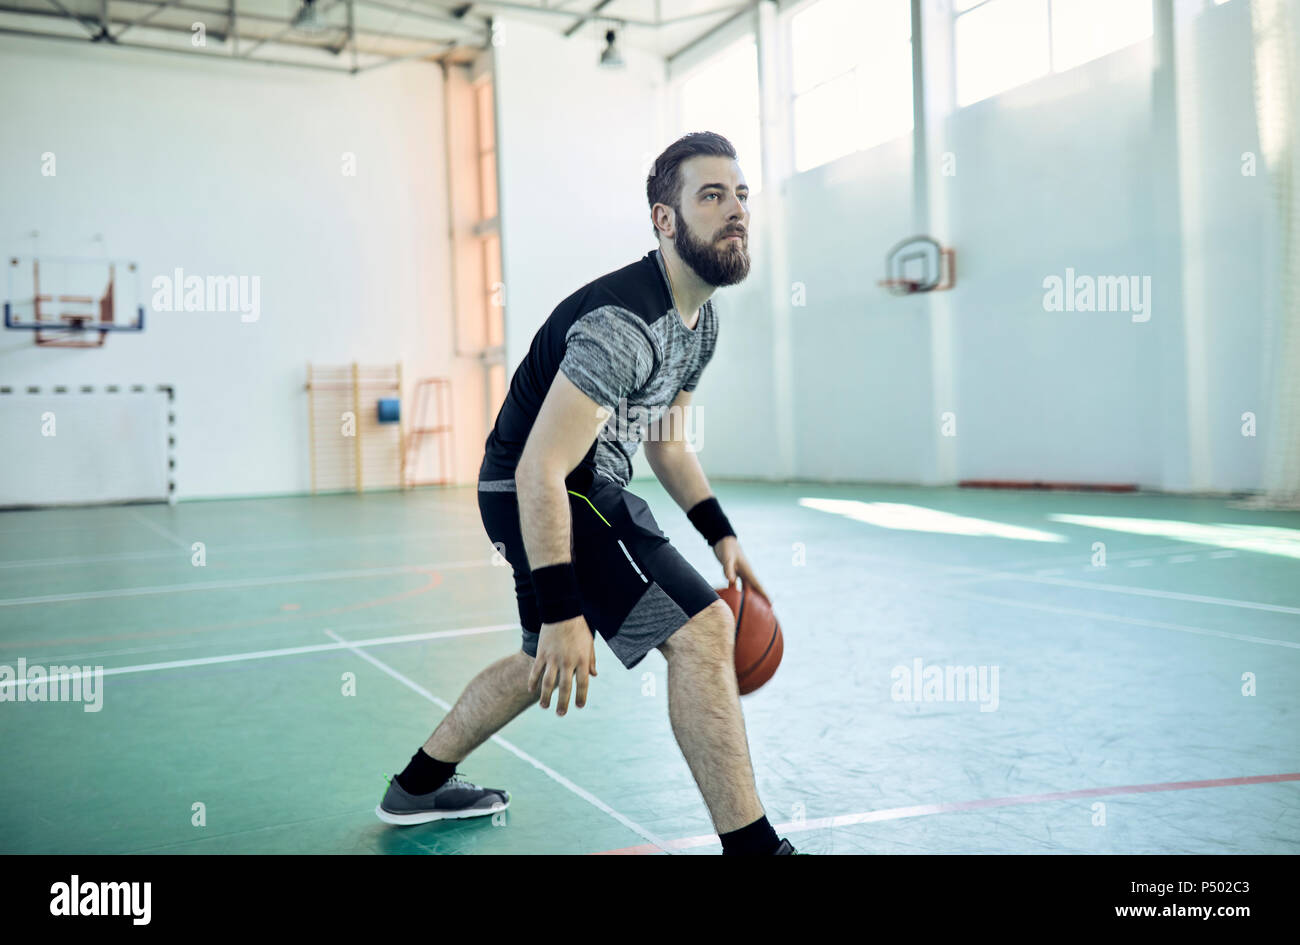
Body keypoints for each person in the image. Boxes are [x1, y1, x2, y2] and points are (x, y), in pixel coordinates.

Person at [377, 131, 797, 855]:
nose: (736, 211)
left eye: (740, 195)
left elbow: (666, 441)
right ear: (665, 221)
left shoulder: (702, 322)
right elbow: (543, 466)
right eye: (711, 196)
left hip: (550, 485)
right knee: (701, 633)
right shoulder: (622, 324)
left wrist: (720, 532)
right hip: (545, 486)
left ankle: (417, 785)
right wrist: (567, 605)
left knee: (542, 658)